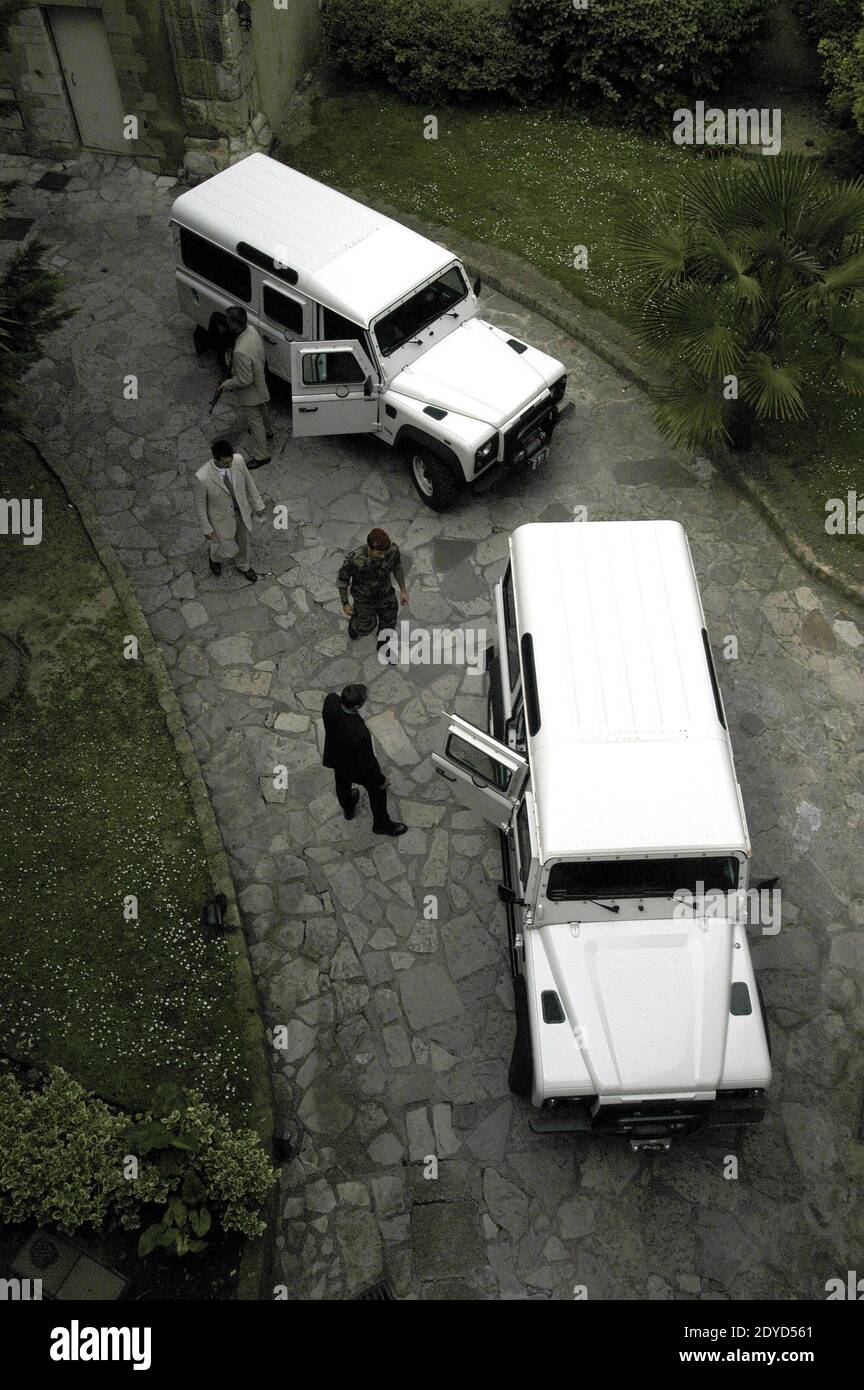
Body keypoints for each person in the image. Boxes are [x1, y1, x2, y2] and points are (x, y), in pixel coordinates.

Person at [321, 684, 407, 836]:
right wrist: (381, 780)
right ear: (357, 706)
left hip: (336, 758)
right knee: (378, 792)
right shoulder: (359, 733)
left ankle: (348, 808)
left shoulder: (331, 701)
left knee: (342, 783)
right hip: (356, 768)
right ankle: (381, 825)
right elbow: (368, 761)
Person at [193, 438, 265, 583]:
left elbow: (249, 481)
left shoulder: (238, 460)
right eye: (226, 463)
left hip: (242, 512)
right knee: (230, 550)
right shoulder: (202, 477)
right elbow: (200, 504)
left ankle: (243, 565)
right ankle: (214, 555)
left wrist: (258, 505)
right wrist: (206, 528)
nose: (230, 464)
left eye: (230, 460)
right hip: (221, 519)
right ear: (215, 459)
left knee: (244, 543)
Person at [216, 306, 273, 468]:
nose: (226, 323)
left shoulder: (240, 351)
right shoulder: (251, 331)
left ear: (235, 324)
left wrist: (227, 384)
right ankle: (268, 431)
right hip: (260, 381)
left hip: (250, 392)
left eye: (228, 320)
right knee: (263, 410)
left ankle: (262, 455)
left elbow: (244, 379)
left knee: (255, 422)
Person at [337, 528, 408, 650]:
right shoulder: (354, 560)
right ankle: (355, 624)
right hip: (364, 600)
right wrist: (345, 603)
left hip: (385, 595)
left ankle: (383, 645)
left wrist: (403, 590)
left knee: (389, 622)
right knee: (366, 627)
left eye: (385, 552)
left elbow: (397, 567)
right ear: (370, 549)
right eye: (379, 553)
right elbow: (343, 581)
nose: (383, 556)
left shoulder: (392, 550)